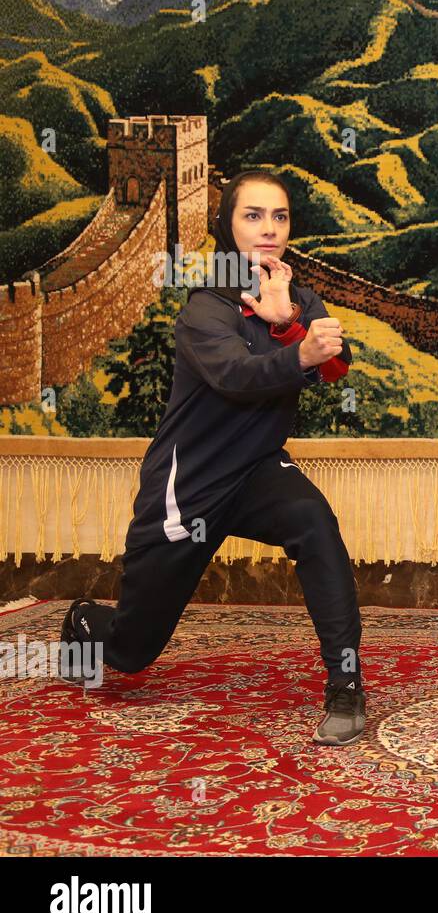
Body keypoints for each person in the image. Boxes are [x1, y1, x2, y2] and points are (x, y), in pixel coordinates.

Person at [59, 171, 367, 746]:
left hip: (257, 470)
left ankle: (345, 684)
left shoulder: (298, 297)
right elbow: (236, 377)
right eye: (253, 215)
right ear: (227, 225)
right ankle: (83, 621)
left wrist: (289, 324)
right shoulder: (206, 306)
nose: (269, 228)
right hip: (190, 485)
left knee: (314, 521)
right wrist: (294, 347)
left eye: (279, 216)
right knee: (132, 651)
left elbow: (336, 364)